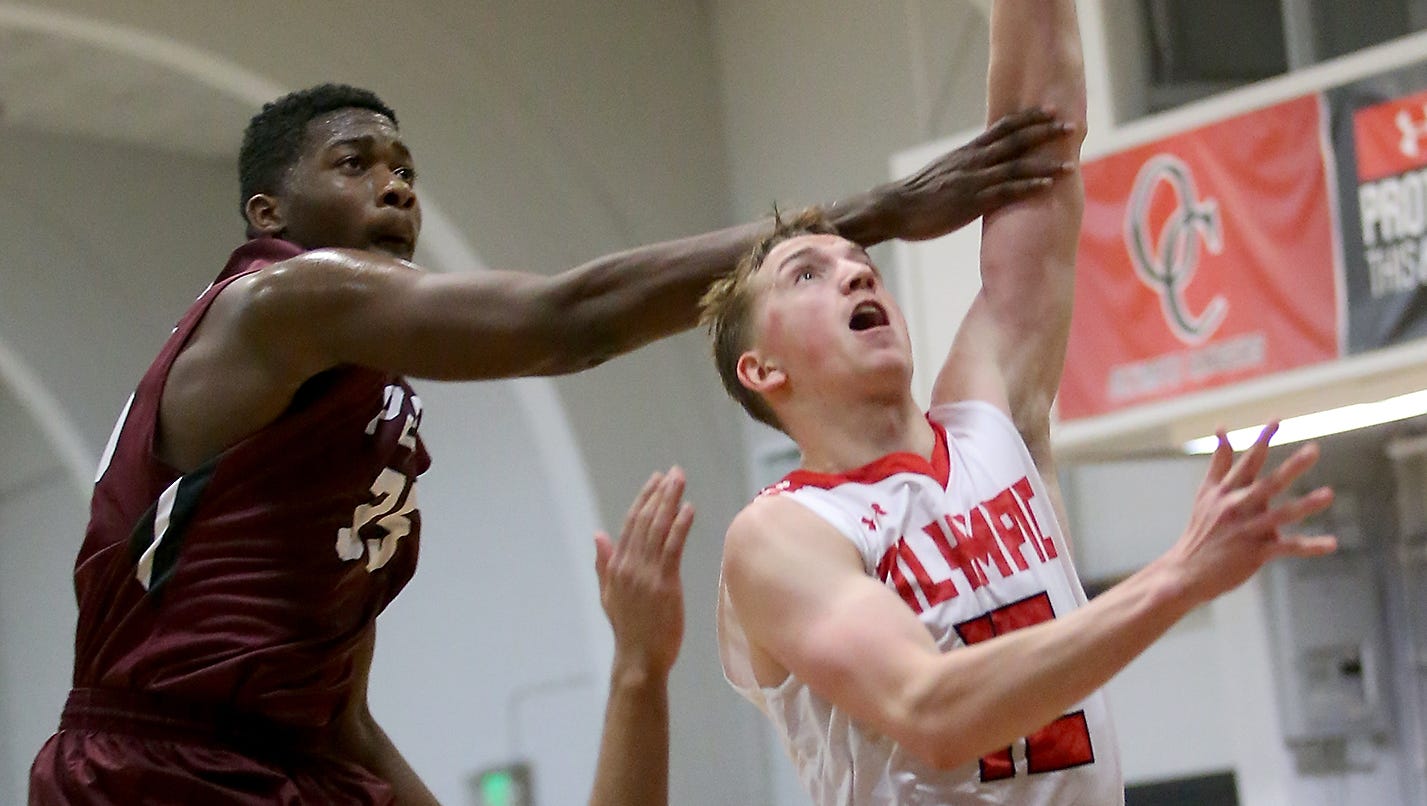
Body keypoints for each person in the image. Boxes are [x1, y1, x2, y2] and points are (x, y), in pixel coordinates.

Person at [26, 79, 1071, 804]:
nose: (395, 184)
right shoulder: (275, 300)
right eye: (355, 163)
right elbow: (566, 321)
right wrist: (870, 213)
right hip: (151, 766)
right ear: (270, 212)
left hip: (292, 763)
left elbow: (340, 715)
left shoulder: (366, 407)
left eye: (404, 167)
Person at [701, 1, 1337, 803]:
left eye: (859, 261)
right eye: (806, 274)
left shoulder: (986, 416)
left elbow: (1040, 147)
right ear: (760, 370)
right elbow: (931, 710)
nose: (856, 272)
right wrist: (1178, 575)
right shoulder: (782, 533)